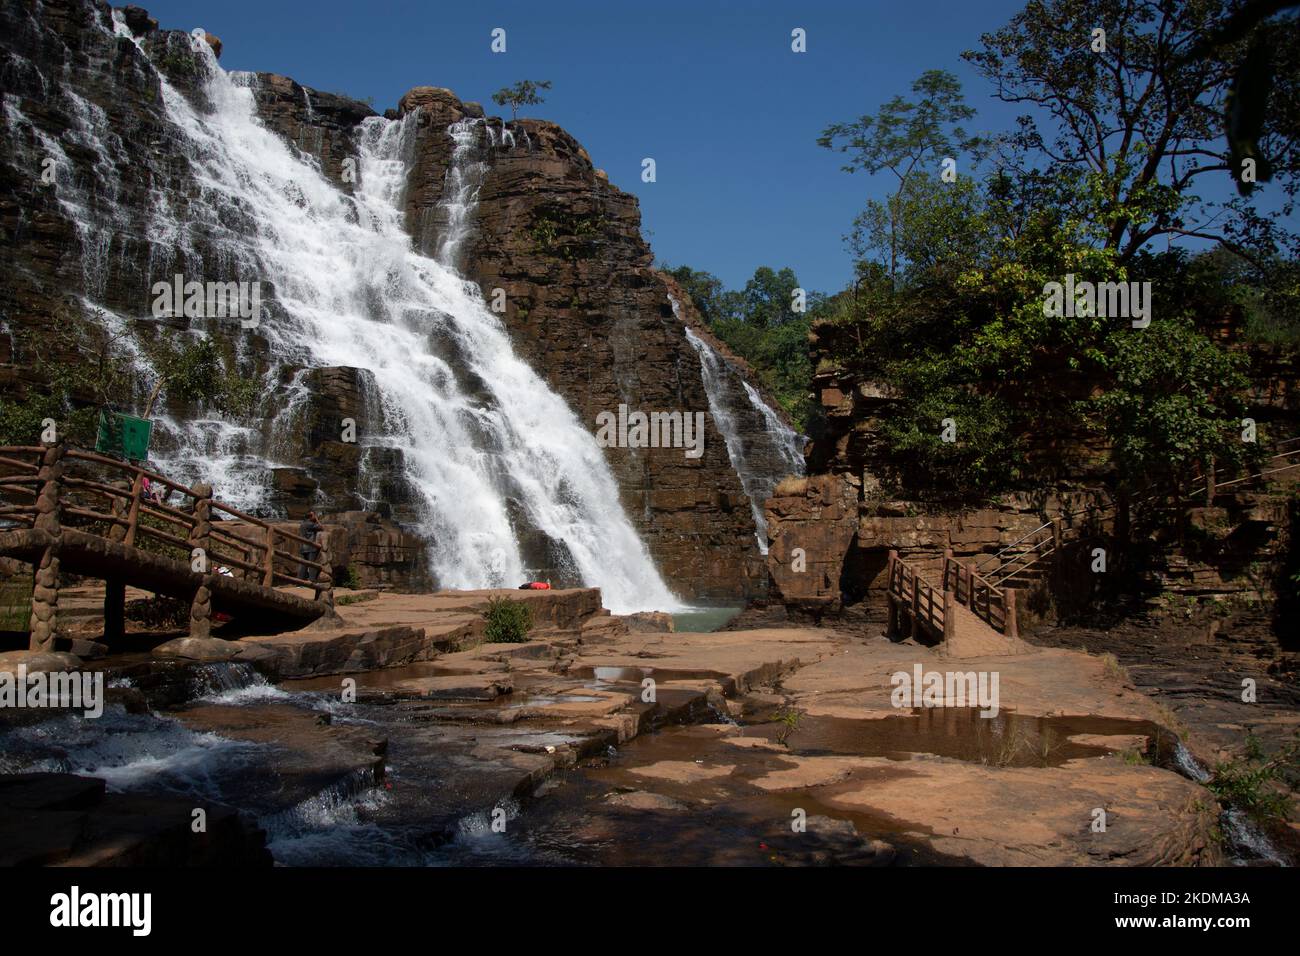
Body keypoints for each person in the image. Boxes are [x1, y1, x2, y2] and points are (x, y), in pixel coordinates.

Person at [298, 510, 324, 584]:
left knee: (303, 565)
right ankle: (312, 580)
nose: (315, 516)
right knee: (312, 564)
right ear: (310, 517)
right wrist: (317, 519)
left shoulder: (302, 524)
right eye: (314, 515)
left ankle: (300, 581)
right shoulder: (311, 524)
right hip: (310, 547)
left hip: (303, 547)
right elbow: (322, 528)